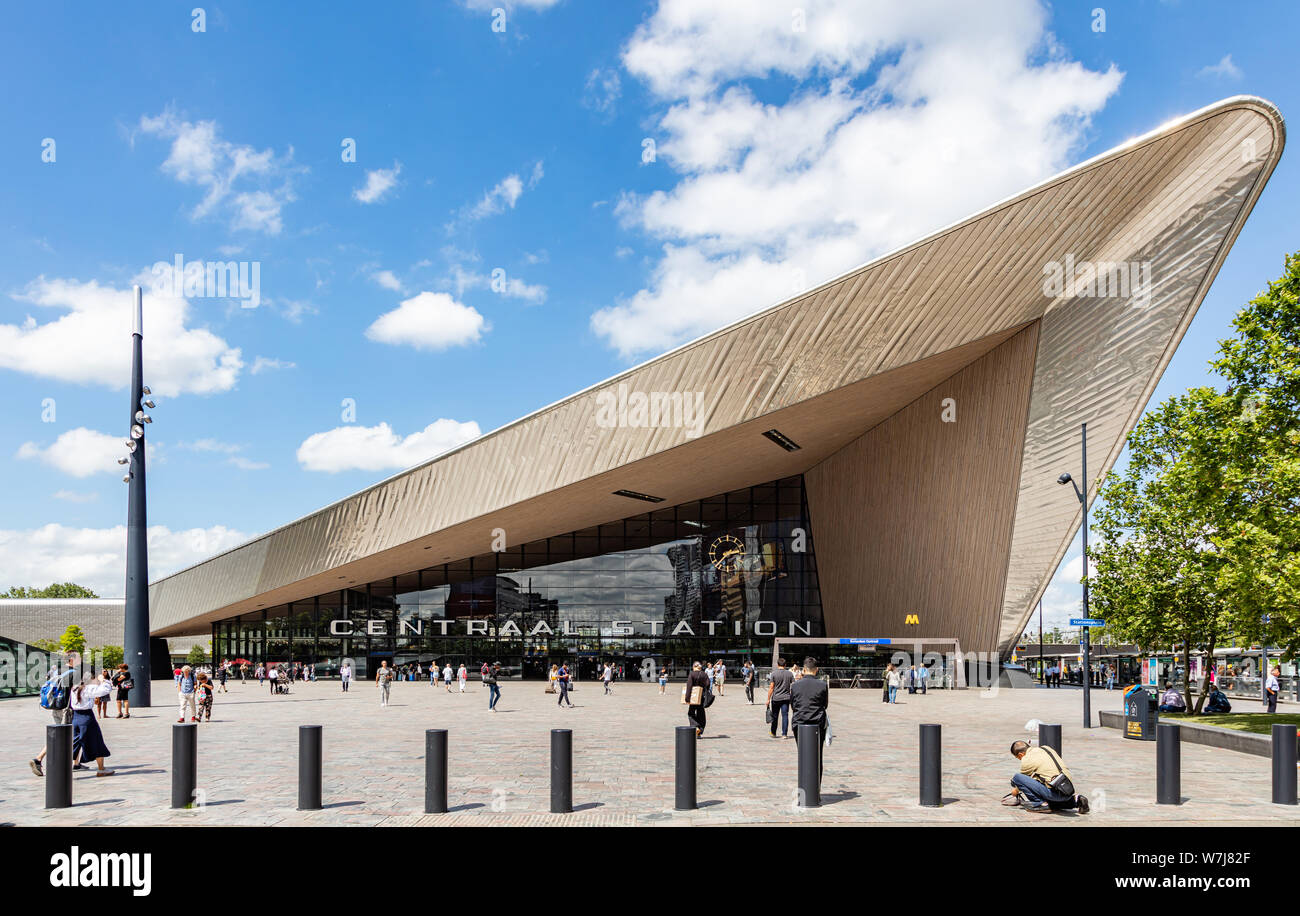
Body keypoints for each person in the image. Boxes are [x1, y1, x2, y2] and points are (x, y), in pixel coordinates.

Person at [1005, 740, 1088, 813]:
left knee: (1017, 778)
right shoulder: (1046, 748)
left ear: (1020, 754)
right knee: (1050, 800)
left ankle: (1040, 804)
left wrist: (1014, 792)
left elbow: (1022, 782)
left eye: (1017, 757)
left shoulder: (1026, 759)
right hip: (1068, 790)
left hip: (1055, 793)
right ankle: (1076, 800)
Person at [30, 656, 78, 776]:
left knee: (67, 734)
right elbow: (77, 691)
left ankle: (76, 762)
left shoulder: (55, 671)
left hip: (55, 706)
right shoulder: (74, 673)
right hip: (67, 708)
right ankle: (39, 758)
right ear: (71, 660)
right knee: (63, 735)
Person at [790, 657, 830, 777]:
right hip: (818, 723)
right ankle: (816, 789)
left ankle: (804, 787)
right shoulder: (822, 685)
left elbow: (793, 705)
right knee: (817, 756)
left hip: (799, 723)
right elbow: (825, 705)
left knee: (803, 755)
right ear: (816, 670)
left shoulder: (795, 685)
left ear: (803, 670)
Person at [69, 673, 115, 777]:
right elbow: (106, 689)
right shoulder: (88, 688)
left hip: (75, 717)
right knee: (96, 742)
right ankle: (101, 769)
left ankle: (62, 766)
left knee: (73, 743)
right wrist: (103, 680)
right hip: (87, 717)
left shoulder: (75, 687)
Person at [766, 657, 794, 738]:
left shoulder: (774, 674)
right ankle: (784, 734)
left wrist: (768, 699)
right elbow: (793, 686)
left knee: (775, 716)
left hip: (776, 698)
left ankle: (773, 732)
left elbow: (771, 687)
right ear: (785, 665)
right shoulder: (790, 674)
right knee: (785, 716)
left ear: (778, 665)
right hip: (786, 698)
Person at [685, 662, 710, 737]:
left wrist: (687, 698)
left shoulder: (692, 674)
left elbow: (689, 686)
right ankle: (700, 731)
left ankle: (695, 727)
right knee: (701, 713)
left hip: (694, 697)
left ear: (694, 667)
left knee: (691, 713)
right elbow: (708, 684)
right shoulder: (704, 674)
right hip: (701, 696)